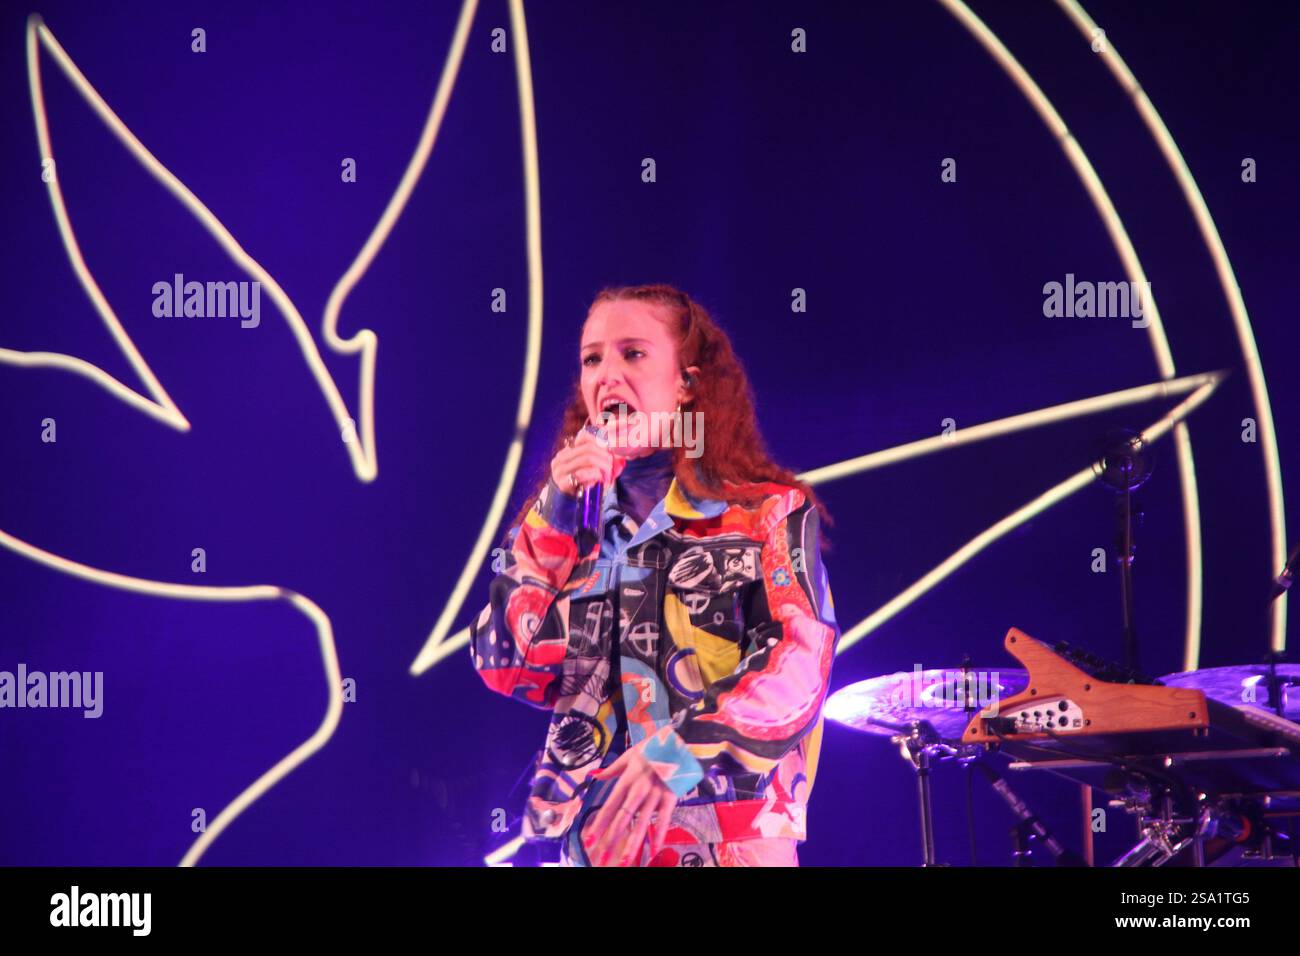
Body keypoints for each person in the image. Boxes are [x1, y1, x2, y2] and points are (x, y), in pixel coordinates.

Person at [469, 283, 840, 866]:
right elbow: (505, 663)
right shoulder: (570, 533)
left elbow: (798, 664)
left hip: (727, 840)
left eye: (632, 353)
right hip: (593, 847)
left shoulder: (765, 514)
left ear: (687, 382)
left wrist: (676, 754)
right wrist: (554, 510)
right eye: (592, 358)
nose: (606, 376)